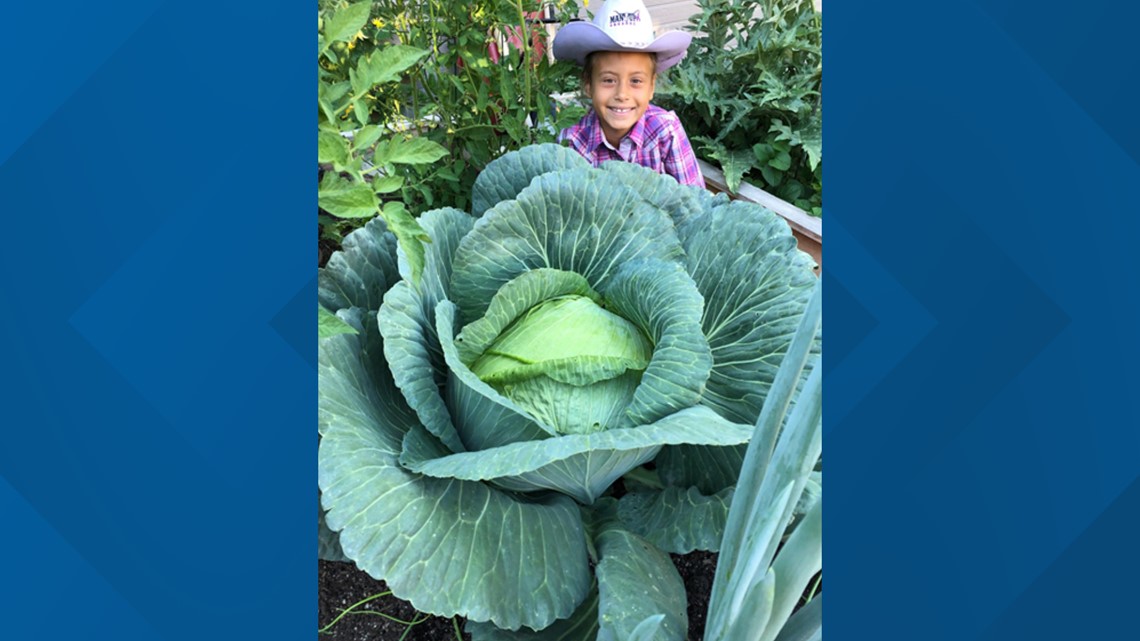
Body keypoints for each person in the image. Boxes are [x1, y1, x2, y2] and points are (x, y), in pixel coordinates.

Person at [551, 0, 705, 188]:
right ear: (588, 84)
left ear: (651, 87)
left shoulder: (665, 131)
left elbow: (696, 200)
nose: (622, 94)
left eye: (636, 81)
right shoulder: (573, 142)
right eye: (609, 80)